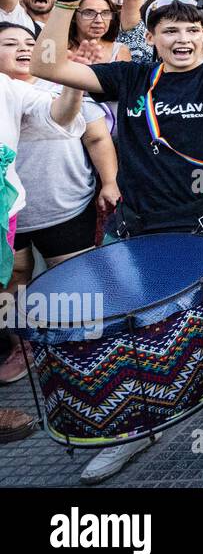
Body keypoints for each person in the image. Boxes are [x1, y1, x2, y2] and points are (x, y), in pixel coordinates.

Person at [31, 0, 203, 483]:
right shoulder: (129, 76)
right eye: (170, 29)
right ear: (151, 36)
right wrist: (63, 6)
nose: (182, 38)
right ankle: (139, 428)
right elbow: (48, 66)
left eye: (191, 29)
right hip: (139, 225)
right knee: (138, 328)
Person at [0, 22, 89, 408]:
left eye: (29, 42)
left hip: (53, 208)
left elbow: (61, 117)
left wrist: (73, 83)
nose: (22, 48)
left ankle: (79, 350)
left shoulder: (18, 90)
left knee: (70, 281)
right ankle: (19, 343)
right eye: (9, 43)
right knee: (11, 283)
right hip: (18, 216)